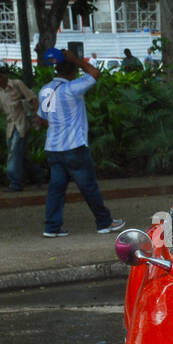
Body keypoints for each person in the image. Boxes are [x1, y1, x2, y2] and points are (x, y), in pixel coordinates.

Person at [37, 52, 122, 237]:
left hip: (53, 148)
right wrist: (76, 59)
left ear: (57, 69)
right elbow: (94, 74)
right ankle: (104, 222)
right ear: (73, 71)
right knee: (88, 187)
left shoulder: (45, 90)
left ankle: (51, 228)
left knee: (56, 190)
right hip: (74, 147)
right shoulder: (72, 88)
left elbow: (41, 119)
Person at [0, 69, 38, 192]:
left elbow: (33, 99)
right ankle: (39, 174)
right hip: (11, 126)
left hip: (22, 124)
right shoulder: (0, 92)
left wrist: (38, 116)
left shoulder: (17, 84)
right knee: (19, 155)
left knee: (13, 153)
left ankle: (15, 183)